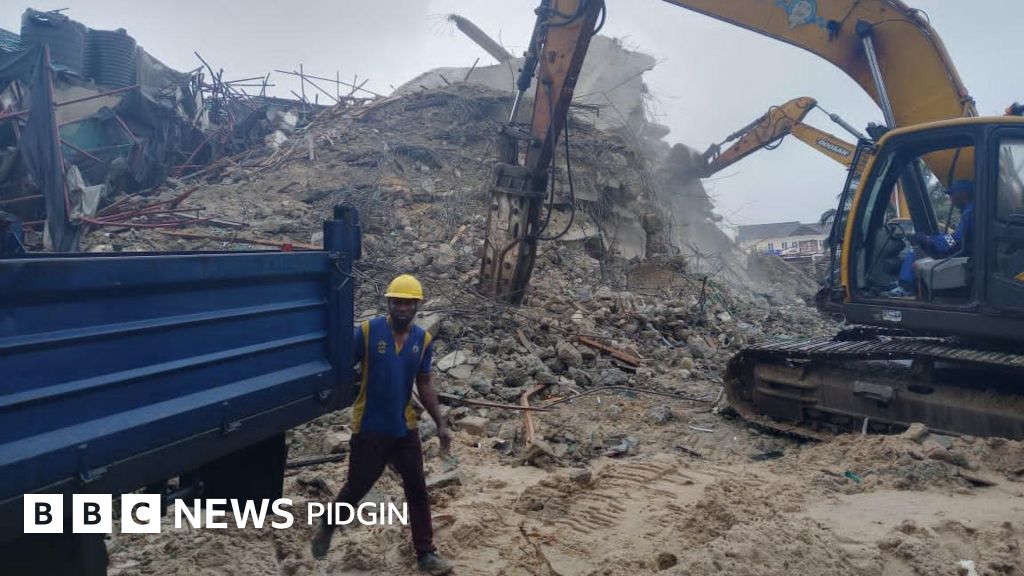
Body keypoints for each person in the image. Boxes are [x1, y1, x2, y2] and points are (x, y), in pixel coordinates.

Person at [311, 274, 454, 575]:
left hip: (405, 428)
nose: (403, 308)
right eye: (397, 302)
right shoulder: (366, 332)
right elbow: (339, 366)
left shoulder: (423, 340)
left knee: (417, 489)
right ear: (388, 303)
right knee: (357, 487)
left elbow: (425, 381)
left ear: (417, 307)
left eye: (408, 303)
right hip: (370, 426)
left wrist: (440, 422)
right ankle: (329, 523)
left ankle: (426, 554)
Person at [887, 179, 974, 297]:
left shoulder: (970, 212)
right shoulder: (970, 211)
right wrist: (934, 239)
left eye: (952, 194)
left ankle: (905, 288)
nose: (950, 198)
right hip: (964, 251)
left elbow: (955, 240)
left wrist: (929, 240)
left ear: (963, 193)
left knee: (916, 249)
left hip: (960, 254)